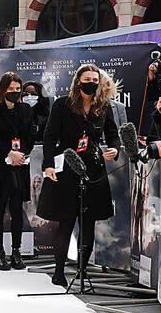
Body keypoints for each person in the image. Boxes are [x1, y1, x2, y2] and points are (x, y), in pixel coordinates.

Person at [37, 63, 120, 286]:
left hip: (93, 169)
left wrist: (115, 148)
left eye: (95, 80)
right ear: (78, 81)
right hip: (67, 167)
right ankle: (59, 271)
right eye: (87, 80)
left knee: (88, 222)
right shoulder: (62, 105)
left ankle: (82, 270)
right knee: (65, 222)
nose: (91, 84)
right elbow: (49, 136)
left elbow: (113, 134)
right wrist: (48, 165)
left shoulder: (103, 106)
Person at [0, 72, 36, 271]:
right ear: (3, 89)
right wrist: (8, 152)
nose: (14, 92)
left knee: (16, 209)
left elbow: (31, 134)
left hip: (20, 165)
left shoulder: (26, 109)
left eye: (17, 89)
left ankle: (16, 250)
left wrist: (21, 154)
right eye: (10, 89)